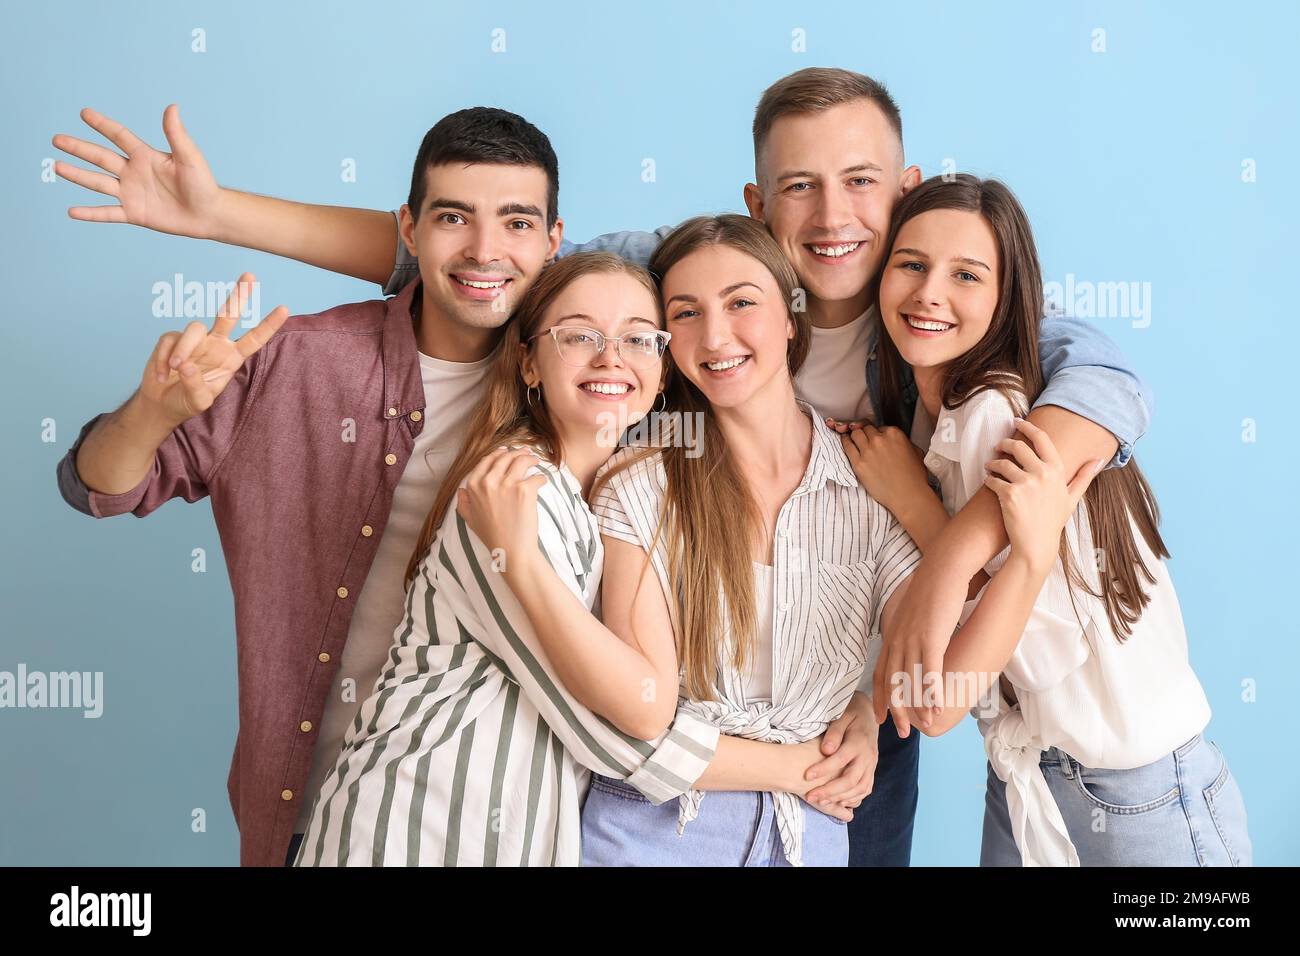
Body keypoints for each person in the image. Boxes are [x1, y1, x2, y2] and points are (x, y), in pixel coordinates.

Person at [53, 69, 1152, 865]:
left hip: (839, 746)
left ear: (903, 188)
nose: (832, 216)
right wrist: (221, 215)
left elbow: (1094, 368)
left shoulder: (931, 321)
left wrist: (951, 549)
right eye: (797, 189)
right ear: (756, 203)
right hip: (624, 783)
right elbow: (487, 255)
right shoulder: (640, 347)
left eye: (861, 183)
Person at [54, 108, 568, 866]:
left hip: (511, 821)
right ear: (408, 227)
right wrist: (150, 415)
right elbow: (97, 487)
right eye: (453, 216)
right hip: (323, 817)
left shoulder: (596, 379)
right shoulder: (296, 361)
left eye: (518, 222)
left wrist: (221, 211)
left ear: (555, 240)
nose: (486, 250)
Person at [296, 251, 875, 866]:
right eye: (579, 336)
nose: (611, 357)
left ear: (661, 366)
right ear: (529, 363)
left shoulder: (617, 497)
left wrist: (853, 706)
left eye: (636, 338)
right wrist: (800, 765)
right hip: (418, 830)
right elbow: (621, 726)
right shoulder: (515, 493)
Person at [841, 173, 1251, 866]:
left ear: (1010, 300)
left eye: (966, 275)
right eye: (911, 264)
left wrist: (919, 510)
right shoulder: (929, 414)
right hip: (1030, 777)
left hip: (1138, 798)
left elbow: (941, 699)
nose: (929, 293)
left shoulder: (992, 420)